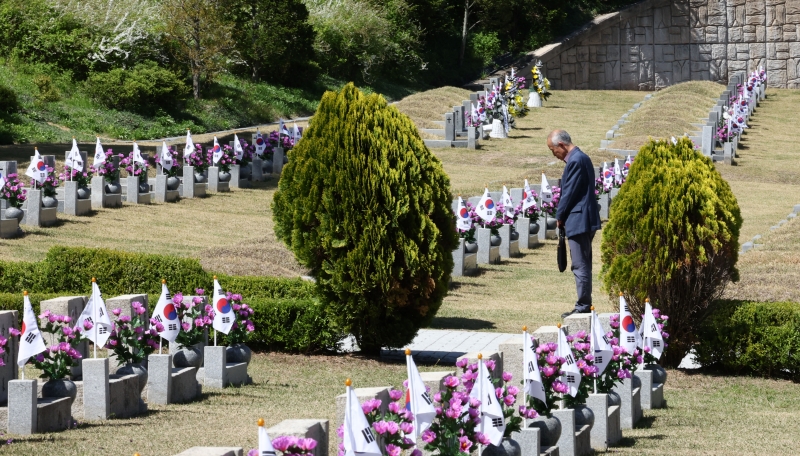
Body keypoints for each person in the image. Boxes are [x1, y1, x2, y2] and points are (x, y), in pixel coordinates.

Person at [546, 130, 601, 319]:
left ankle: (583, 305)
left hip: (579, 218)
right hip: (583, 217)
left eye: (553, 150)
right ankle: (584, 303)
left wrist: (559, 215)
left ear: (561, 145)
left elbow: (568, 192)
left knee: (579, 264)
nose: (554, 154)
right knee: (582, 262)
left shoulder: (576, 160)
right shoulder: (580, 158)